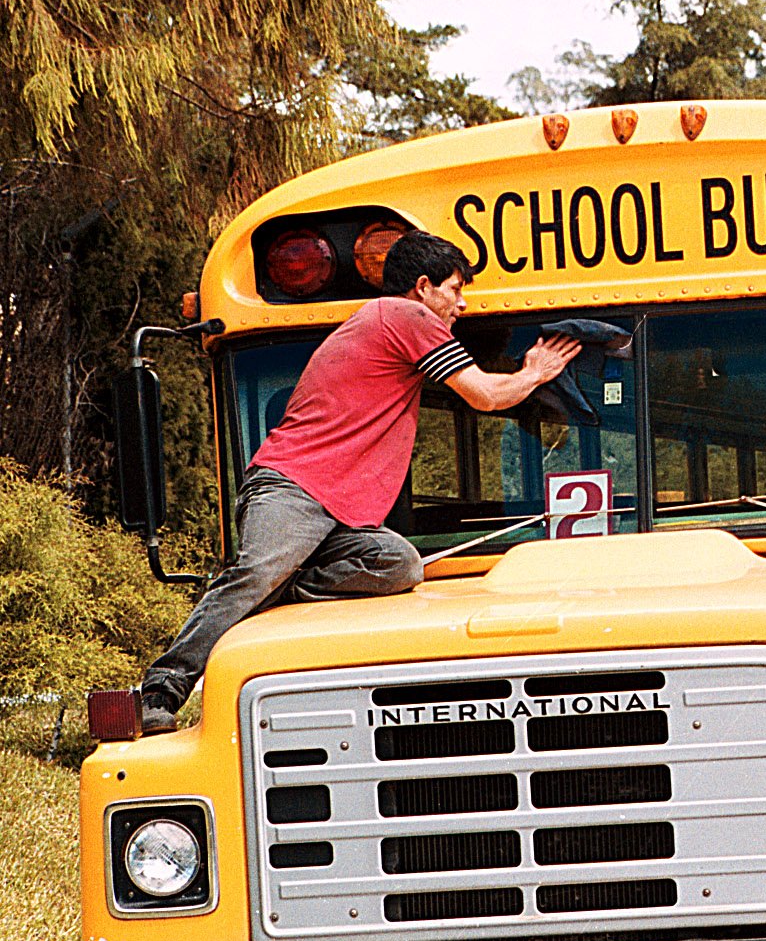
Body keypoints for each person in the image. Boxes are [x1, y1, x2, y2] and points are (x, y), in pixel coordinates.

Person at [138, 230, 581, 733]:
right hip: (294, 484)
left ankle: (283, 586)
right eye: (455, 289)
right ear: (423, 287)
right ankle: (162, 688)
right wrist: (534, 372)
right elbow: (484, 395)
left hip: (340, 514)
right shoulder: (405, 315)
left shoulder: (387, 325)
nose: (461, 304)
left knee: (398, 564)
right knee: (257, 572)